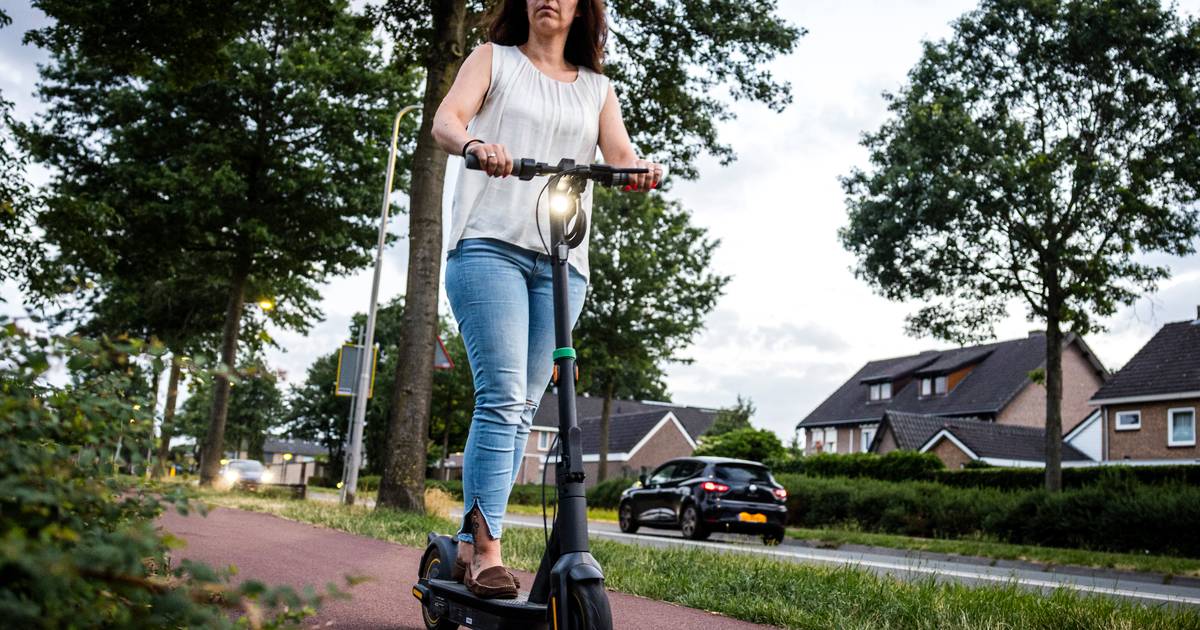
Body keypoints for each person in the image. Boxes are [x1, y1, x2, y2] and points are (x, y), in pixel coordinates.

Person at [431, 0, 662, 599]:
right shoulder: (493, 60)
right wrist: (477, 143)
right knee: (503, 396)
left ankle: (467, 540)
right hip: (489, 247)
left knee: (524, 407)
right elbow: (446, 120)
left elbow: (620, 154)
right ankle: (487, 553)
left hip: (563, 260)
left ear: (583, 8)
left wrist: (638, 171)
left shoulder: (597, 89)